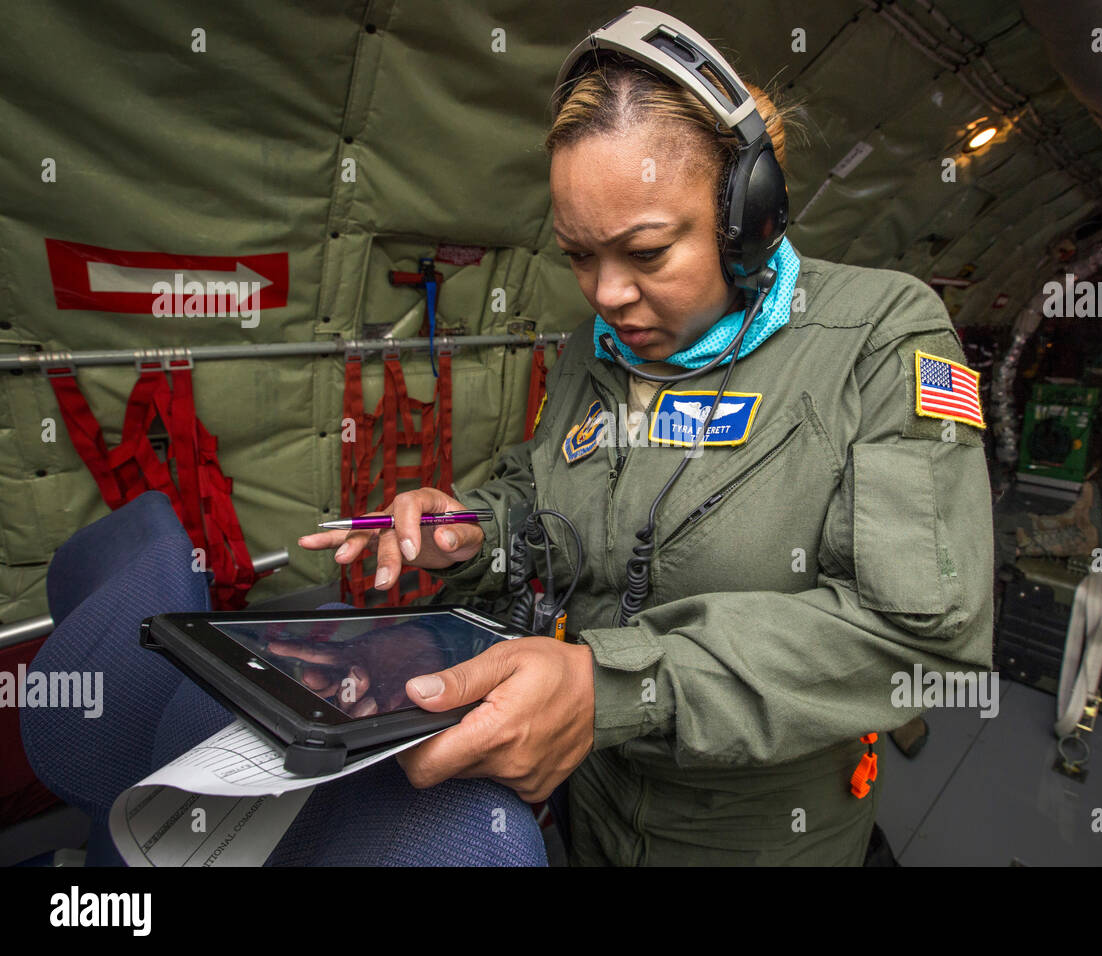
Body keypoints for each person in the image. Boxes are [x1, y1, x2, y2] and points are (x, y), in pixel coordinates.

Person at [301, 6, 994, 866]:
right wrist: (475, 531)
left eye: (647, 251)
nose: (608, 294)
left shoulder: (880, 336)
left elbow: (917, 637)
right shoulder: (596, 352)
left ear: (749, 216)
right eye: (579, 256)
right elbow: (548, 494)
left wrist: (619, 688)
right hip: (591, 815)